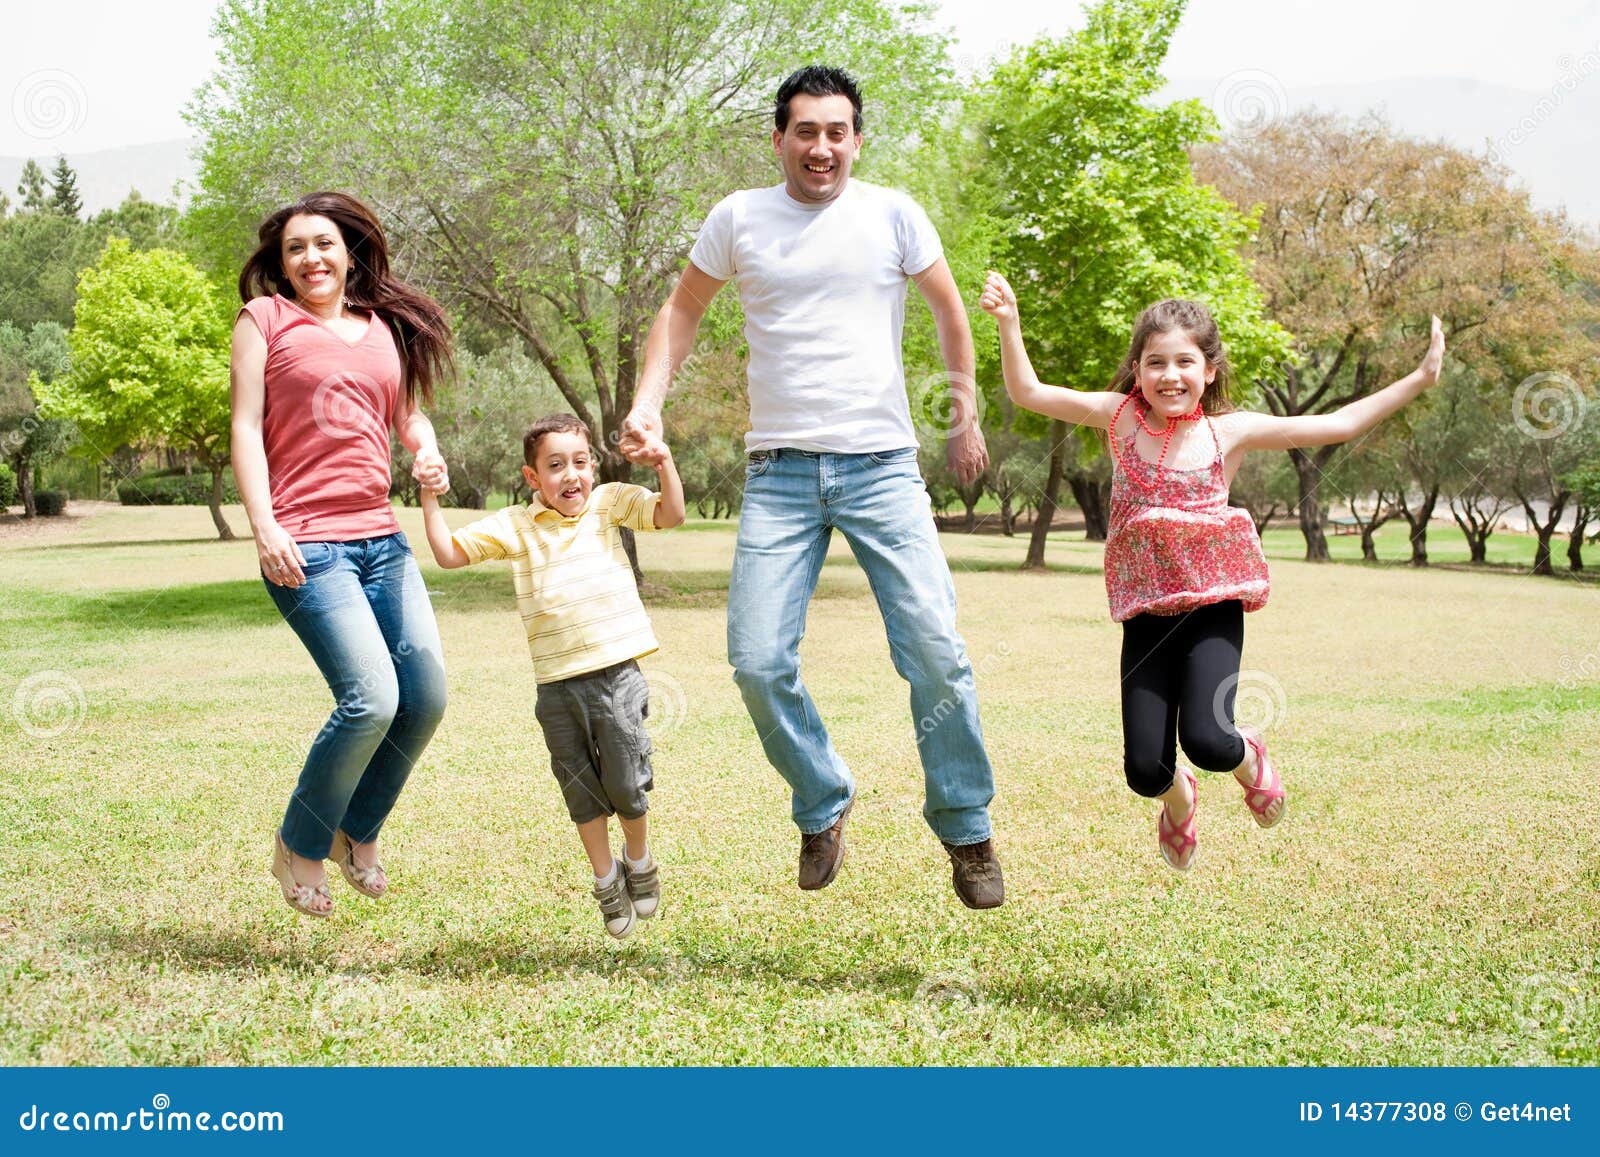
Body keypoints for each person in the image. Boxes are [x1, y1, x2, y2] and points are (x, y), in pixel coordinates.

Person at [619, 65, 1005, 909]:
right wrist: (649, 401)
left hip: (882, 468)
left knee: (936, 650)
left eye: (837, 132)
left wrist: (963, 416)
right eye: (806, 131)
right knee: (757, 661)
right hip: (779, 473)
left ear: (857, 139)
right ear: (779, 138)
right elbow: (682, 310)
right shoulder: (738, 218)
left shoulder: (894, 213)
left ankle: (967, 825)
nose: (821, 147)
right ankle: (823, 796)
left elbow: (948, 310)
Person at [980, 273, 1445, 871]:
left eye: (1183, 361)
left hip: (1213, 603)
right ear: (1137, 369)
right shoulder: (1118, 418)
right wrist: (1010, 323)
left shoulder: (1231, 432)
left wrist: (1419, 379)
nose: (1168, 375)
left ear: (1209, 369)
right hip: (1147, 609)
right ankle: (1180, 799)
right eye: (1154, 362)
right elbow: (1029, 392)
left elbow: (1340, 425)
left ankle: (1249, 757)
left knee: (1207, 740)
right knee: (1146, 770)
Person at [231, 190, 454, 918]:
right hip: (306, 542)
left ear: (348, 251)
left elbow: (404, 415)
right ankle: (299, 843)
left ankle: (357, 827)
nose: (310, 258)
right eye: (295, 248)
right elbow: (244, 426)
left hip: (381, 540)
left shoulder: (382, 328)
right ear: (282, 263)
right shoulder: (265, 321)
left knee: (424, 697)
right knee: (371, 698)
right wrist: (264, 526)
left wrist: (426, 449)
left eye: (323, 243)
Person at [418, 414, 686, 938]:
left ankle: (639, 858)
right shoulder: (516, 525)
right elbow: (448, 555)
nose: (571, 476)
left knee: (628, 782)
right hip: (556, 684)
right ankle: (606, 879)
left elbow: (670, 514)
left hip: (616, 675)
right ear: (532, 477)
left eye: (580, 463)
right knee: (581, 788)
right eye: (555, 466)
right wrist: (428, 497)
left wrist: (664, 463)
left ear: (594, 465)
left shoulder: (610, 503)